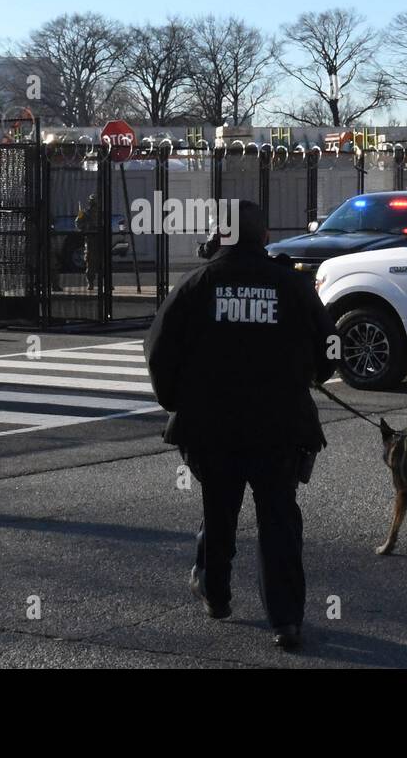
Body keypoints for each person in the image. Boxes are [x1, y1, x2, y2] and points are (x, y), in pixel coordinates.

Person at [145, 200, 336, 651]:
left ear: (218, 238)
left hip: (211, 426)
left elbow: (159, 350)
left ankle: (216, 594)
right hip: (280, 425)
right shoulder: (292, 285)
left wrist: (176, 402)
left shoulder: (196, 285)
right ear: (264, 236)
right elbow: (331, 345)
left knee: (219, 508)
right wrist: (308, 376)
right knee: (279, 520)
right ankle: (286, 621)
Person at [75, 193, 103, 292]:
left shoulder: (102, 213)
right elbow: (78, 224)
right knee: (90, 262)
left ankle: (105, 283)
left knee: (103, 261)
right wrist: (87, 227)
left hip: (101, 238)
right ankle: (90, 282)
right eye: (93, 202)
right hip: (91, 239)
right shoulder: (84, 212)